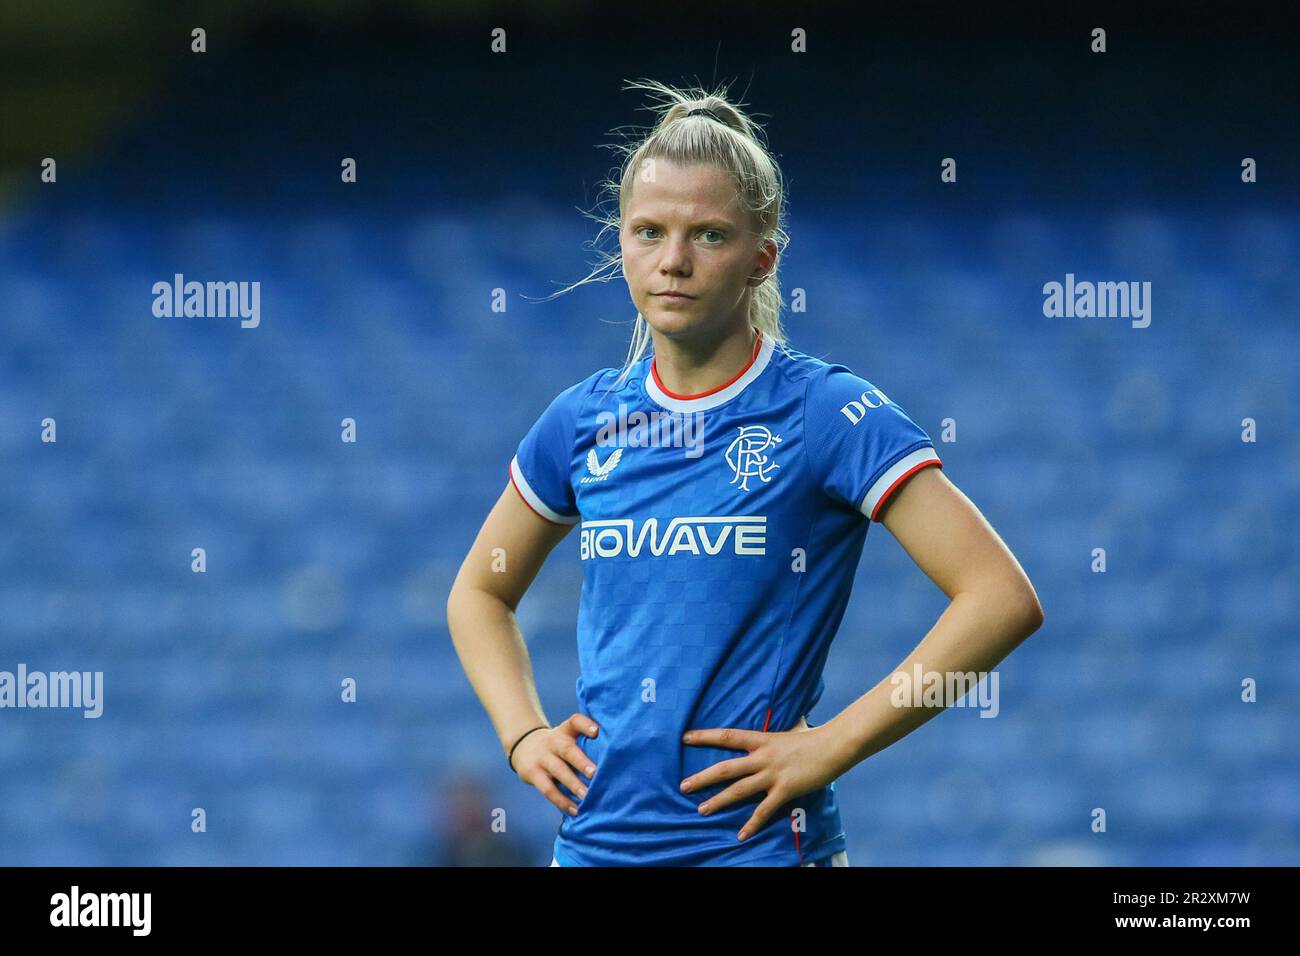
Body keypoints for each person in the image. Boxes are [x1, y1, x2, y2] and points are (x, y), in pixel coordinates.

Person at [446, 79, 1044, 866]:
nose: (674, 261)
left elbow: (999, 597)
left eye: (709, 236)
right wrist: (523, 733)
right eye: (649, 231)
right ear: (621, 244)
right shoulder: (580, 420)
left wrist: (834, 744)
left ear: (763, 259)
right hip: (595, 846)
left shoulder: (826, 412)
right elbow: (479, 593)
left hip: (757, 847)